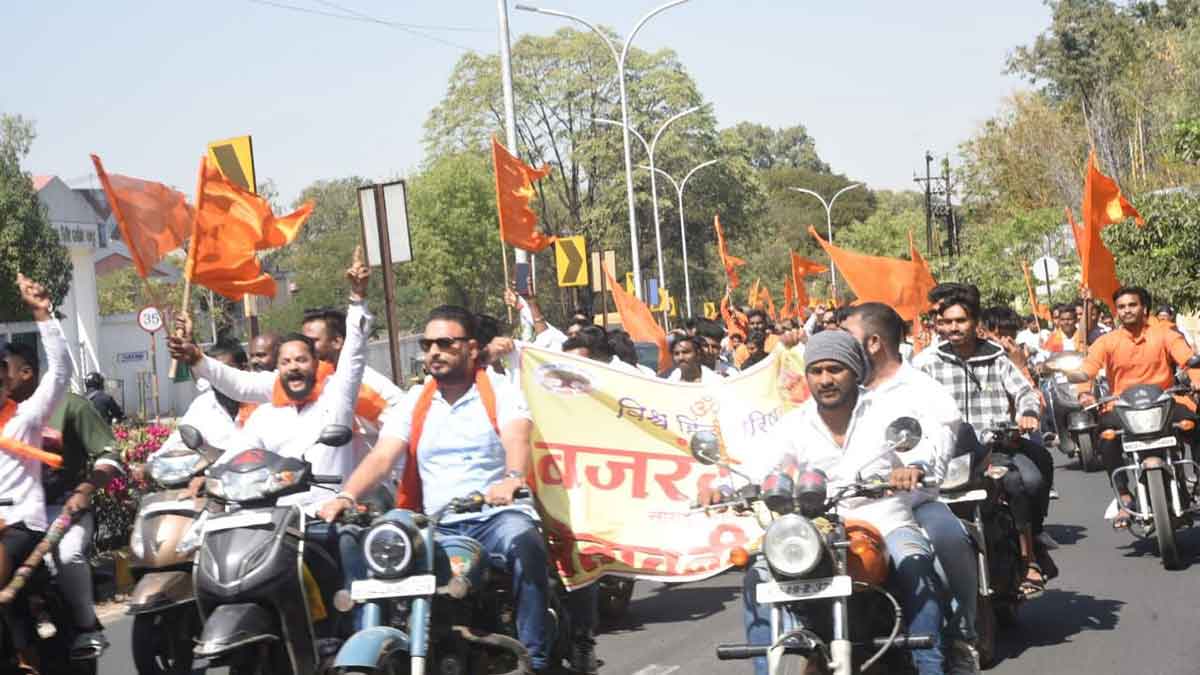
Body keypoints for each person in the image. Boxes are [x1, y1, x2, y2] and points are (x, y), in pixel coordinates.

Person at [317, 304, 565, 674]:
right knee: (363, 538)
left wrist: (513, 477)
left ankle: (536, 659)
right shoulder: (415, 401)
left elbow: (517, 435)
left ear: (472, 348)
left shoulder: (501, 391)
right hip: (433, 522)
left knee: (524, 541)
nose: (433, 352)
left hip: (493, 515)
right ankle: (367, 636)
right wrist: (346, 495)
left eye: (445, 343)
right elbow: (383, 456)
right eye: (427, 343)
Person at [702, 330, 947, 675]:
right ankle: (766, 667)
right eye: (816, 371)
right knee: (759, 575)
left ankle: (930, 665)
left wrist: (913, 467)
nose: (825, 379)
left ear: (855, 371)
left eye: (835, 369)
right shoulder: (796, 423)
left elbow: (921, 445)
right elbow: (757, 463)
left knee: (916, 562)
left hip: (883, 520)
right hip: (816, 529)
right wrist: (723, 485)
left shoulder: (885, 411)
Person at [841, 303, 980, 673]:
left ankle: (961, 635)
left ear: (873, 343)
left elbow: (935, 446)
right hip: (843, 512)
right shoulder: (842, 392)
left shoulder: (923, 391)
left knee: (949, 536)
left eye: (846, 338)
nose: (838, 347)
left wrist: (915, 468)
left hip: (910, 505)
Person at [918, 289, 1051, 598]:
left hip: (995, 448)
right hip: (946, 456)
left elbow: (1025, 393)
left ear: (975, 322)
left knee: (1026, 481)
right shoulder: (927, 364)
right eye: (947, 322)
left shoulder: (997, 358)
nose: (953, 328)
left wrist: (1028, 413)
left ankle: (1030, 556)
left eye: (961, 321)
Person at [3, 340, 121, 658]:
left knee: (67, 557)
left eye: (5, 371)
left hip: (63, 509)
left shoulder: (71, 406)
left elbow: (108, 454)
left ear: (26, 373)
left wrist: (85, 489)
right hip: (11, 517)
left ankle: (86, 628)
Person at [1076, 286, 1200, 529]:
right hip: (1122, 408)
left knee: (1195, 424)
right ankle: (1123, 493)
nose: (1126, 311)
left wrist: (1196, 379)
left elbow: (1186, 358)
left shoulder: (1165, 333)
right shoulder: (1107, 341)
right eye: (1121, 307)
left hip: (1165, 402)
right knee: (1106, 438)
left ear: (1144, 308)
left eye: (1132, 305)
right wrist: (1084, 392)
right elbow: (1088, 367)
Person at [0, 275, 71, 668]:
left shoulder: (24, 420)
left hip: (21, 524)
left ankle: (28, 662)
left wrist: (43, 314)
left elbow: (60, 372)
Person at [155, 340, 252, 459]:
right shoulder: (203, 405)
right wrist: (152, 463)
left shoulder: (263, 402)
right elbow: (176, 443)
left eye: (225, 372)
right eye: (213, 373)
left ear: (244, 369)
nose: (219, 379)